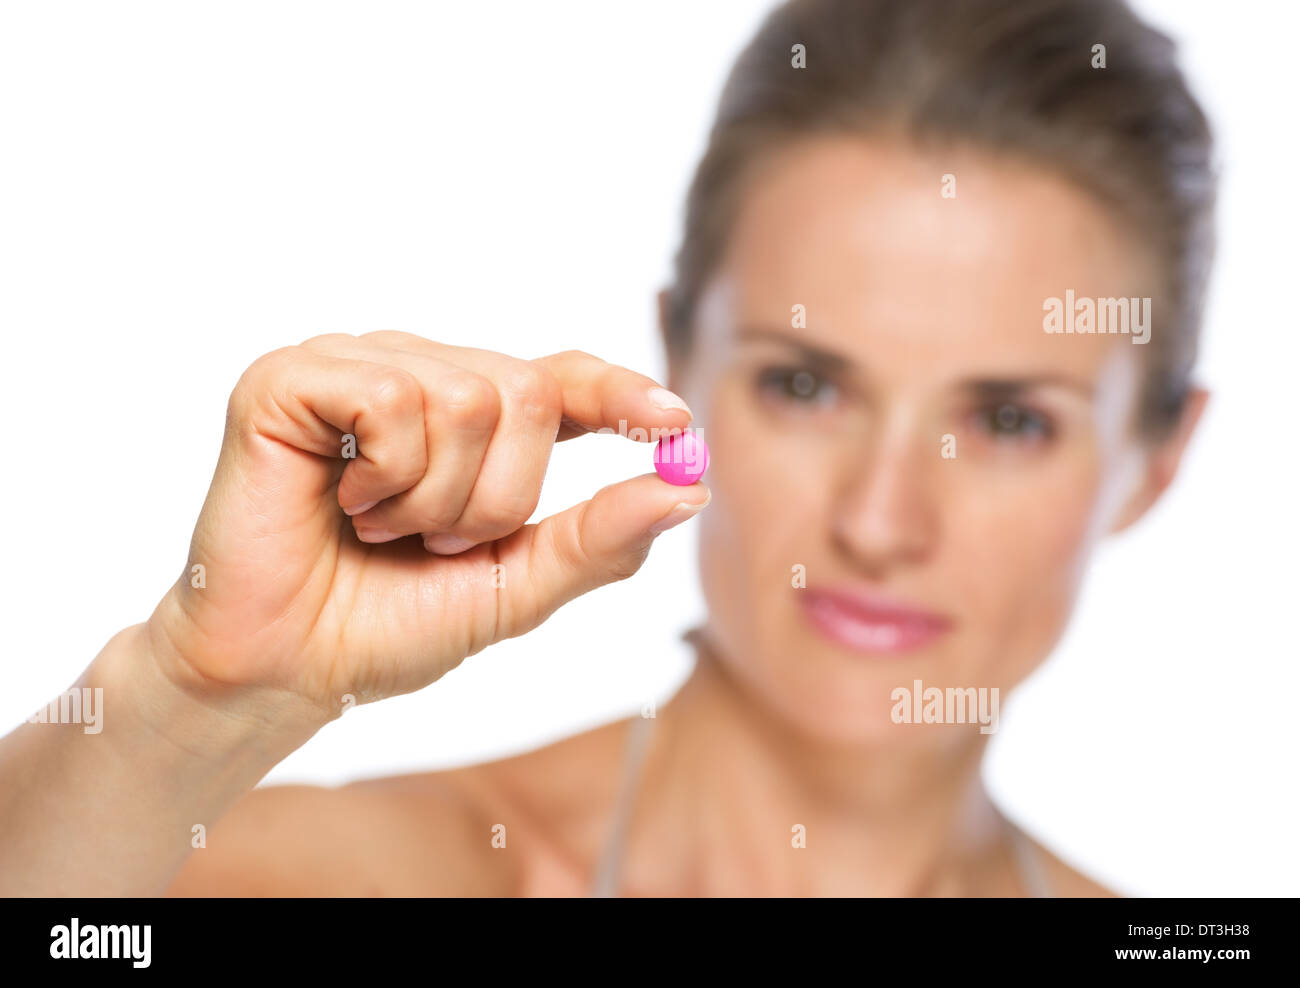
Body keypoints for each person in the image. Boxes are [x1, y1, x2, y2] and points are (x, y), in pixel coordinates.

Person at [0, 0, 1215, 896]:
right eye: (801, 384)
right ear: (675, 370)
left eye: (1007, 421)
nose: (879, 520)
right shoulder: (368, 876)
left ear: (1156, 463)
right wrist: (186, 709)